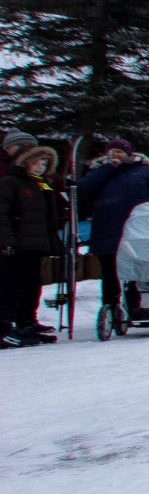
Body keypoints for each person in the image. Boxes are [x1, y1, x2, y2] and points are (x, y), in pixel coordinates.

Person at [77, 139, 149, 325]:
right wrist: (108, 169)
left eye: (121, 152)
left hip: (136, 229)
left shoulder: (144, 170)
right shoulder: (98, 171)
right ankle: (110, 308)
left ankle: (135, 306)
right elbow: (84, 191)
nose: (117, 155)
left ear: (129, 153)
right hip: (106, 228)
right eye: (113, 151)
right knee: (109, 272)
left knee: (135, 270)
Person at [0, 143, 63, 346]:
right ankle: (4, 328)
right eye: (36, 162)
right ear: (25, 162)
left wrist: (53, 241)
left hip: (36, 244)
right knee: (12, 287)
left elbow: (51, 213)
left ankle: (26, 323)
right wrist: (7, 240)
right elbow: (2, 214)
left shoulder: (41, 183)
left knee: (32, 286)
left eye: (44, 163)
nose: (40, 167)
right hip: (17, 245)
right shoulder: (10, 182)